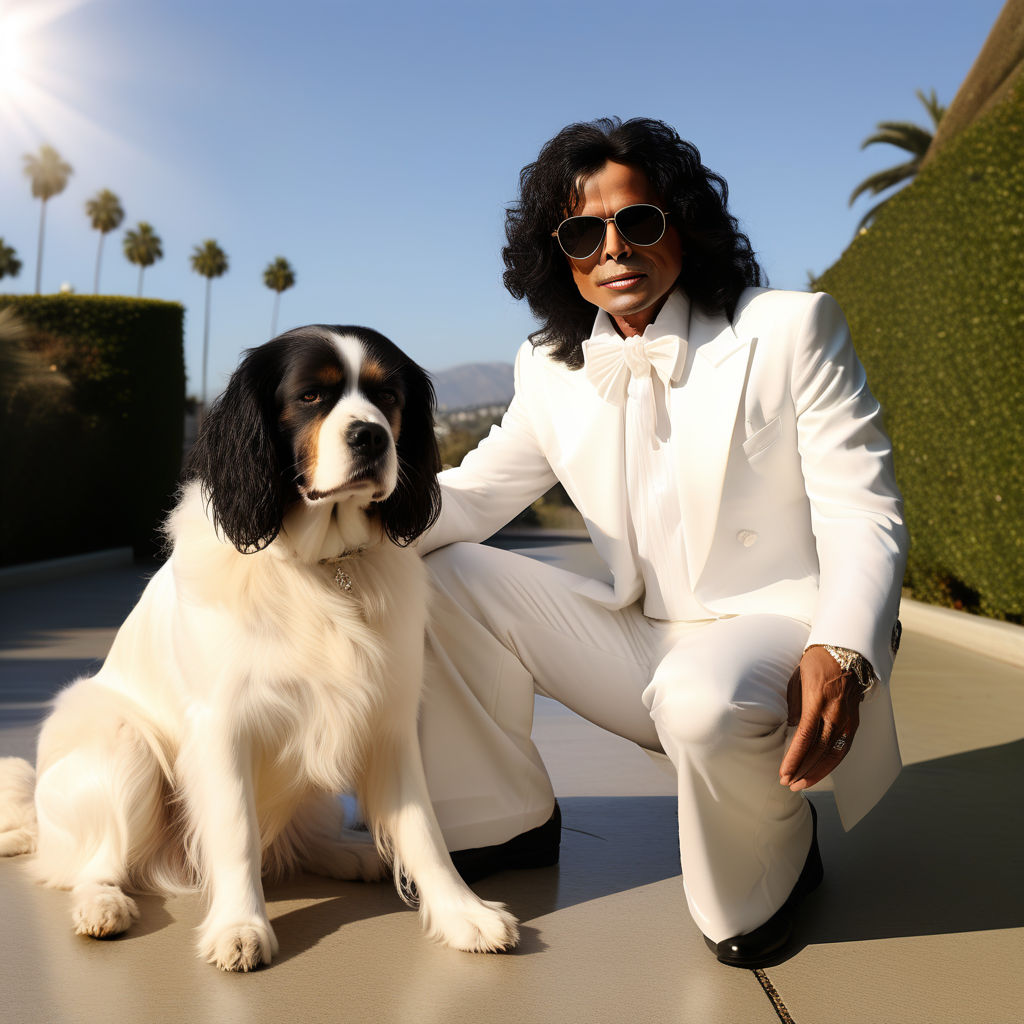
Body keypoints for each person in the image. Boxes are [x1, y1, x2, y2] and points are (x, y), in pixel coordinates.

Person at [415, 116, 908, 967]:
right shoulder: (549, 365)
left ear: (682, 223)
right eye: (582, 232)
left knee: (701, 698)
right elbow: (469, 498)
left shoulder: (791, 330)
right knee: (440, 570)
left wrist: (844, 646)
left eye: (636, 221)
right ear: (558, 255)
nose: (613, 249)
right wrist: (320, 520)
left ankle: (776, 866)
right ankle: (501, 819)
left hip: (773, 636)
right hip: (638, 634)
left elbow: (863, 510)